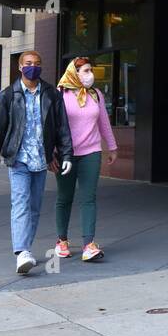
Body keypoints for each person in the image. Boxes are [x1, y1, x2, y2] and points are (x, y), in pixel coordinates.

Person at [0, 51, 74, 275]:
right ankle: (22, 252)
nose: (32, 67)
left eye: (37, 63)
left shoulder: (52, 94)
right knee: (21, 204)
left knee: (34, 207)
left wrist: (66, 155)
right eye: (28, 63)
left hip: (41, 160)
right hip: (18, 160)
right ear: (19, 67)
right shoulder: (7, 96)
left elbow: (62, 127)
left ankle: (26, 249)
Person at [53, 57, 117, 263]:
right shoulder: (59, 94)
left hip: (91, 152)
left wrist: (112, 147)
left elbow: (104, 123)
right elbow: (51, 126)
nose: (91, 74)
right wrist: (52, 153)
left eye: (91, 70)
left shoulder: (95, 94)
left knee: (89, 198)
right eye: (86, 70)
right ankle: (61, 241)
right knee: (65, 197)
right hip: (66, 154)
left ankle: (88, 244)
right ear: (74, 72)